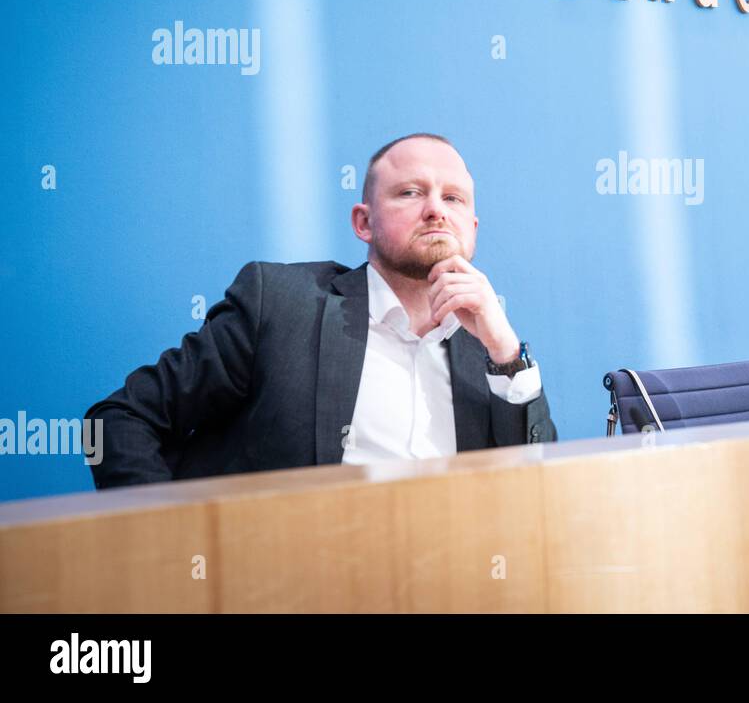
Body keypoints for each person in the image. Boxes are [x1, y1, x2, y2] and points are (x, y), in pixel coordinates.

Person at [87, 133, 556, 488]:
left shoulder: (493, 354)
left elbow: (534, 490)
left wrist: (506, 353)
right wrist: (173, 548)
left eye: (452, 198)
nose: (436, 210)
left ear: (471, 227)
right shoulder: (279, 303)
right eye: (411, 193)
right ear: (363, 222)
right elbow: (115, 420)